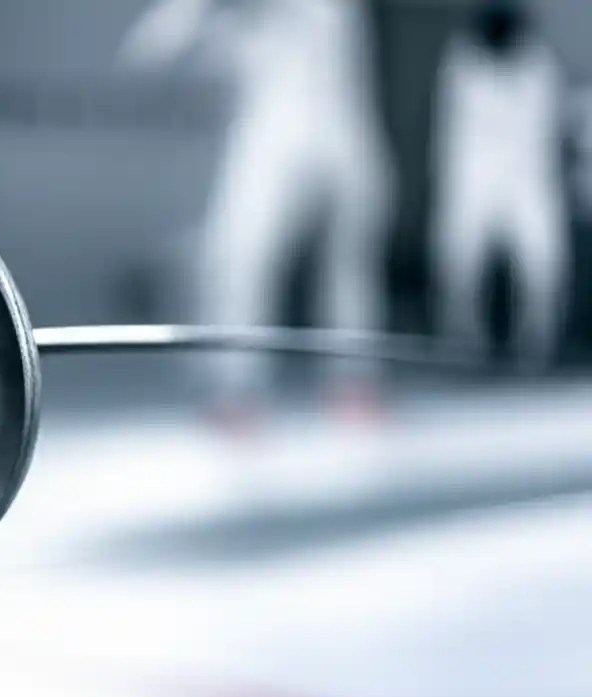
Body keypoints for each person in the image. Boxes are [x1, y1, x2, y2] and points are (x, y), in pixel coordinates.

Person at [121, 0, 394, 428]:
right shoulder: (238, 31)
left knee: (348, 262)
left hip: (343, 126)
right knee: (239, 255)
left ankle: (353, 383)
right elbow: (149, 52)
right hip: (275, 134)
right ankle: (236, 390)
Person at [431, 0, 568, 370]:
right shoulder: (461, 60)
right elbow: (449, 137)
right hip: (474, 173)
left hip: (526, 177)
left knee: (542, 260)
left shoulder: (539, 63)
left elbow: (548, 135)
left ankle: (536, 349)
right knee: (459, 257)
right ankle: (461, 345)